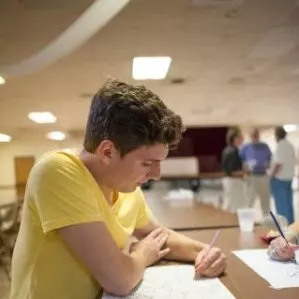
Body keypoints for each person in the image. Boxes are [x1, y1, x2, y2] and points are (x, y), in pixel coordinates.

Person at [10, 80, 227, 299]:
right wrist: (142, 254)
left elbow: (159, 236)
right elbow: (119, 280)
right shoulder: (57, 171)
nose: (156, 175)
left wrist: (205, 253)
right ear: (107, 152)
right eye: (147, 163)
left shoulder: (126, 189)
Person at [240, 128, 272, 218]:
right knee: (249, 201)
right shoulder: (245, 147)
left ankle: (267, 220)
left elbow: (270, 160)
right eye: (253, 136)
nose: (255, 137)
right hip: (251, 176)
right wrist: (245, 168)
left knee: (265, 200)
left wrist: (266, 165)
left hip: (263, 175)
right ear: (250, 136)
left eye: (256, 135)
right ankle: (247, 221)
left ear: (258, 136)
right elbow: (241, 161)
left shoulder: (265, 146)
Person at [270, 126, 296, 225]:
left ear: (277, 135)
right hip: (289, 178)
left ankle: (283, 227)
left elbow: (278, 163)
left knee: (281, 205)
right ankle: (291, 225)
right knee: (289, 204)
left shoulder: (280, 146)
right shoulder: (290, 145)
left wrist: (271, 176)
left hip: (279, 179)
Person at [221, 128, 246, 212]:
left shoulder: (228, 150)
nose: (242, 139)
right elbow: (230, 171)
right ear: (234, 139)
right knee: (234, 205)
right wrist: (243, 172)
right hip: (234, 181)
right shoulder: (232, 151)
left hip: (231, 181)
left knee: (230, 203)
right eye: (239, 137)